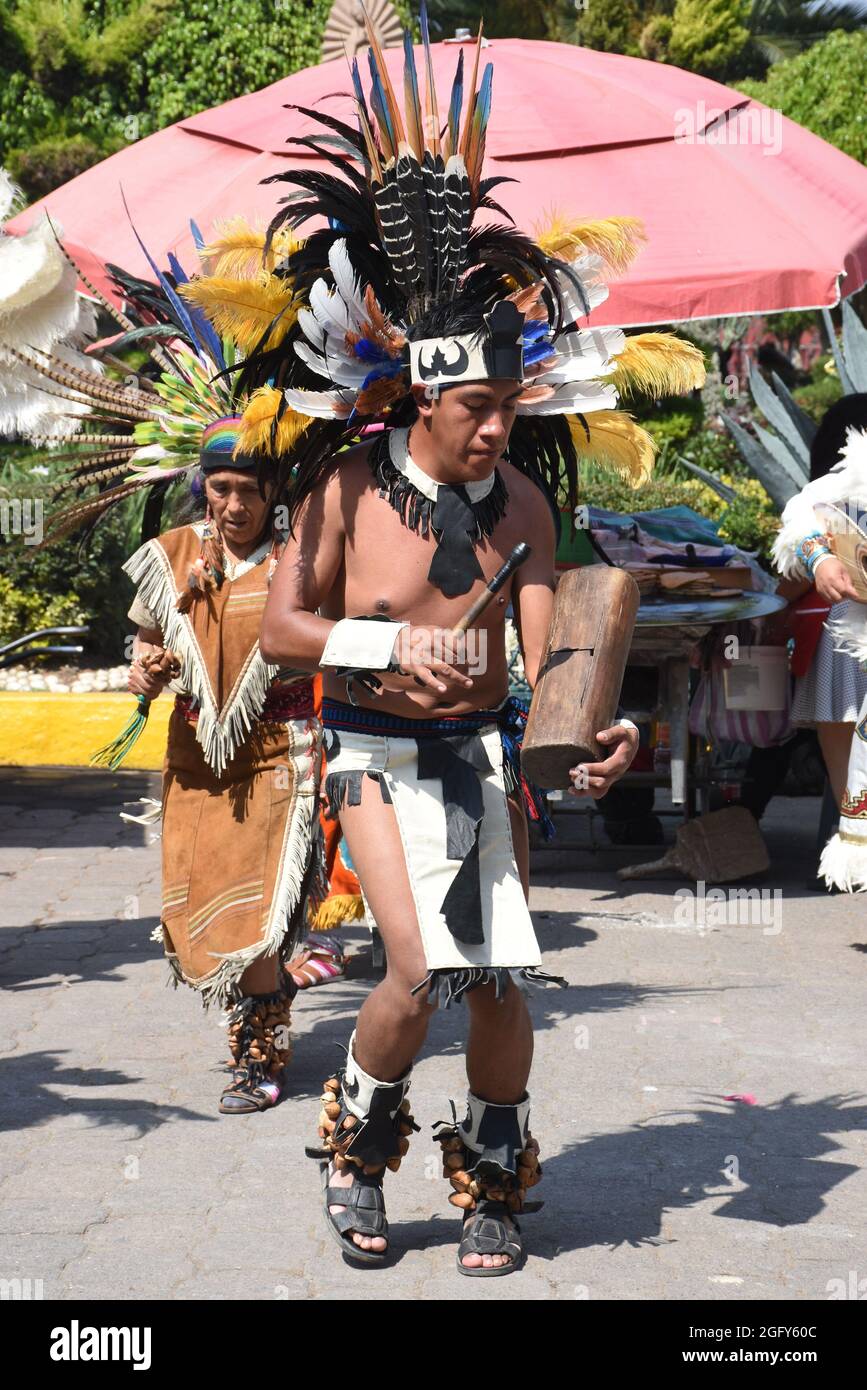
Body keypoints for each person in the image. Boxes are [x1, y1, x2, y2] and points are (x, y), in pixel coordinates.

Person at [251, 11, 645, 1273]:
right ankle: (357, 1155)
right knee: (419, 972)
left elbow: (551, 670)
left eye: (513, 406)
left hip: (475, 759)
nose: (498, 430)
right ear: (427, 391)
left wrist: (590, 737)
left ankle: (489, 1182)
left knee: (498, 985)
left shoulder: (525, 503)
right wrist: (376, 644)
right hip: (369, 747)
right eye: (480, 408)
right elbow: (282, 629)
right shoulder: (344, 491)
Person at [773, 402, 867, 890]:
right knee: (855, 792)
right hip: (853, 650)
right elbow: (801, 516)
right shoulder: (849, 477)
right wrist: (820, 559)